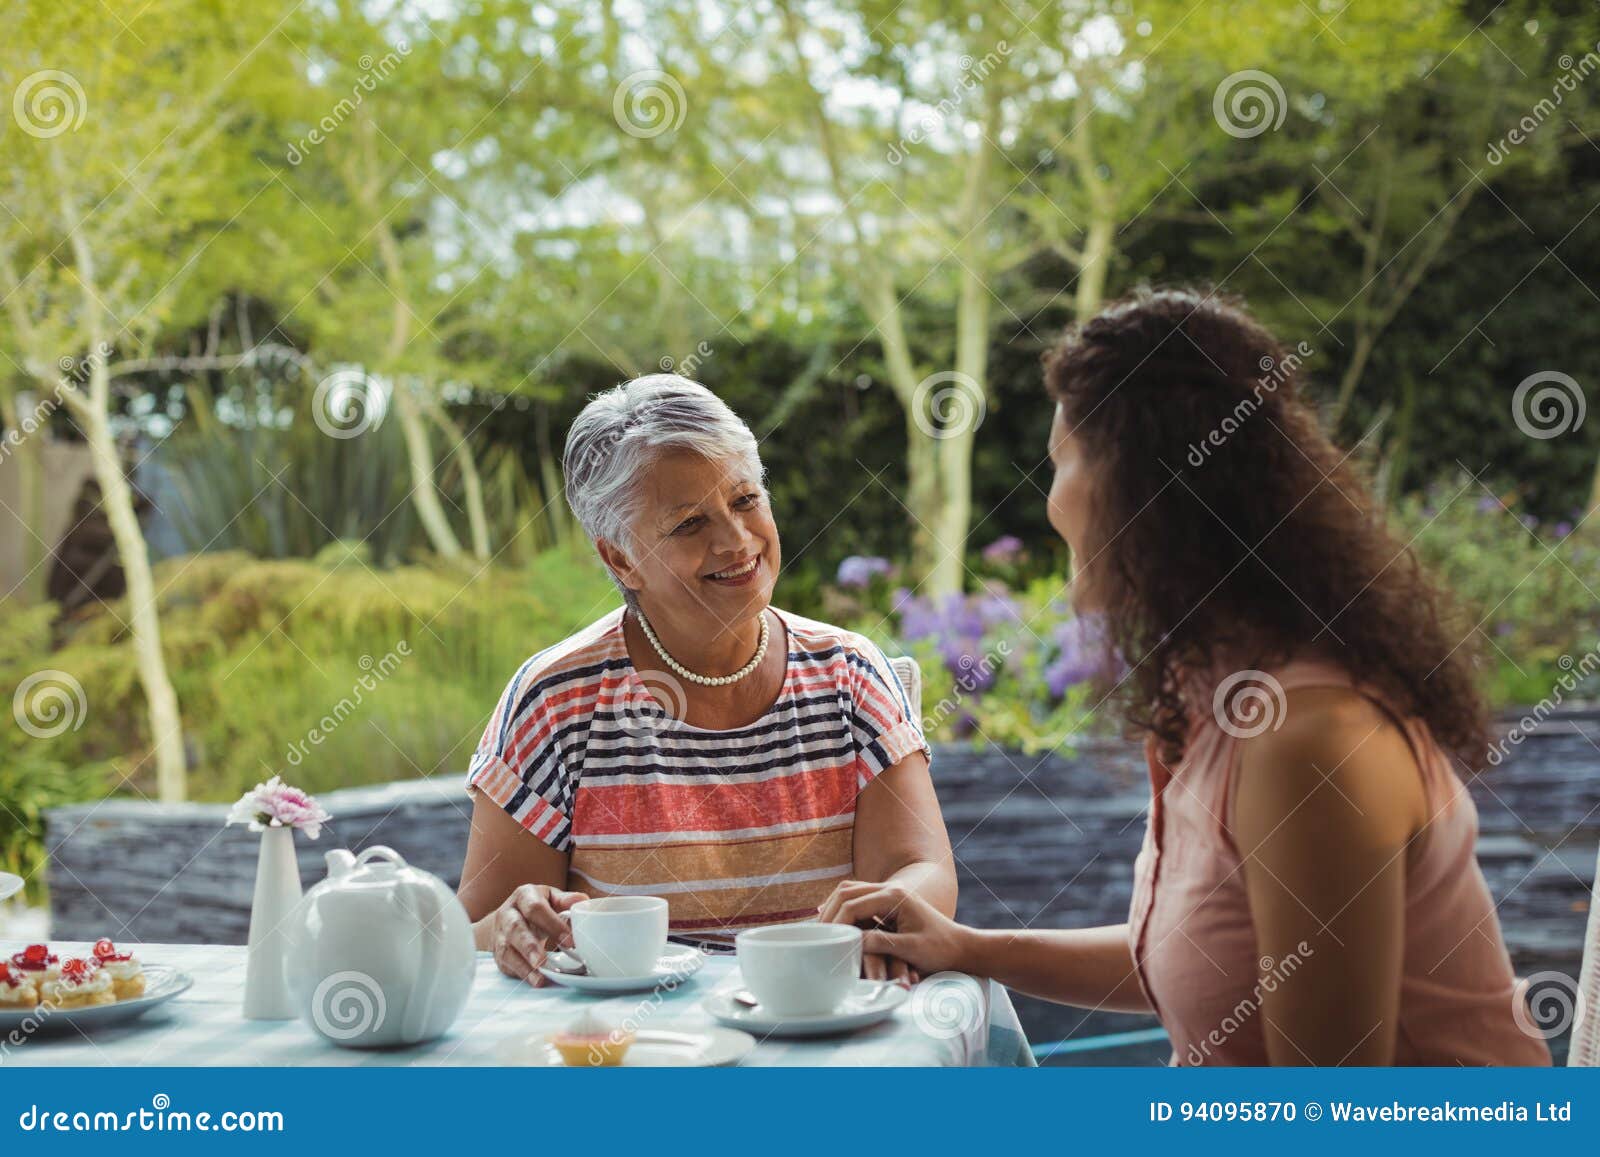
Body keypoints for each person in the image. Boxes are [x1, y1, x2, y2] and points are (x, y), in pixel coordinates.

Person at [818, 289, 1551, 1066]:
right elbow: (1200, 961)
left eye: (1061, 459)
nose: (1049, 495)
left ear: (1141, 487)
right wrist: (966, 945)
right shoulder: (1219, 701)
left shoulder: (1307, 742)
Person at [459, 374, 955, 986]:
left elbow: (920, 867)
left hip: (821, 1020)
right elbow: (482, 926)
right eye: (690, 524)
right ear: (620, 558)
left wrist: (885, 916)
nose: (737, 540)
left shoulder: (849, 673)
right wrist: (513, 927)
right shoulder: (555, 701)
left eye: (746, 501)